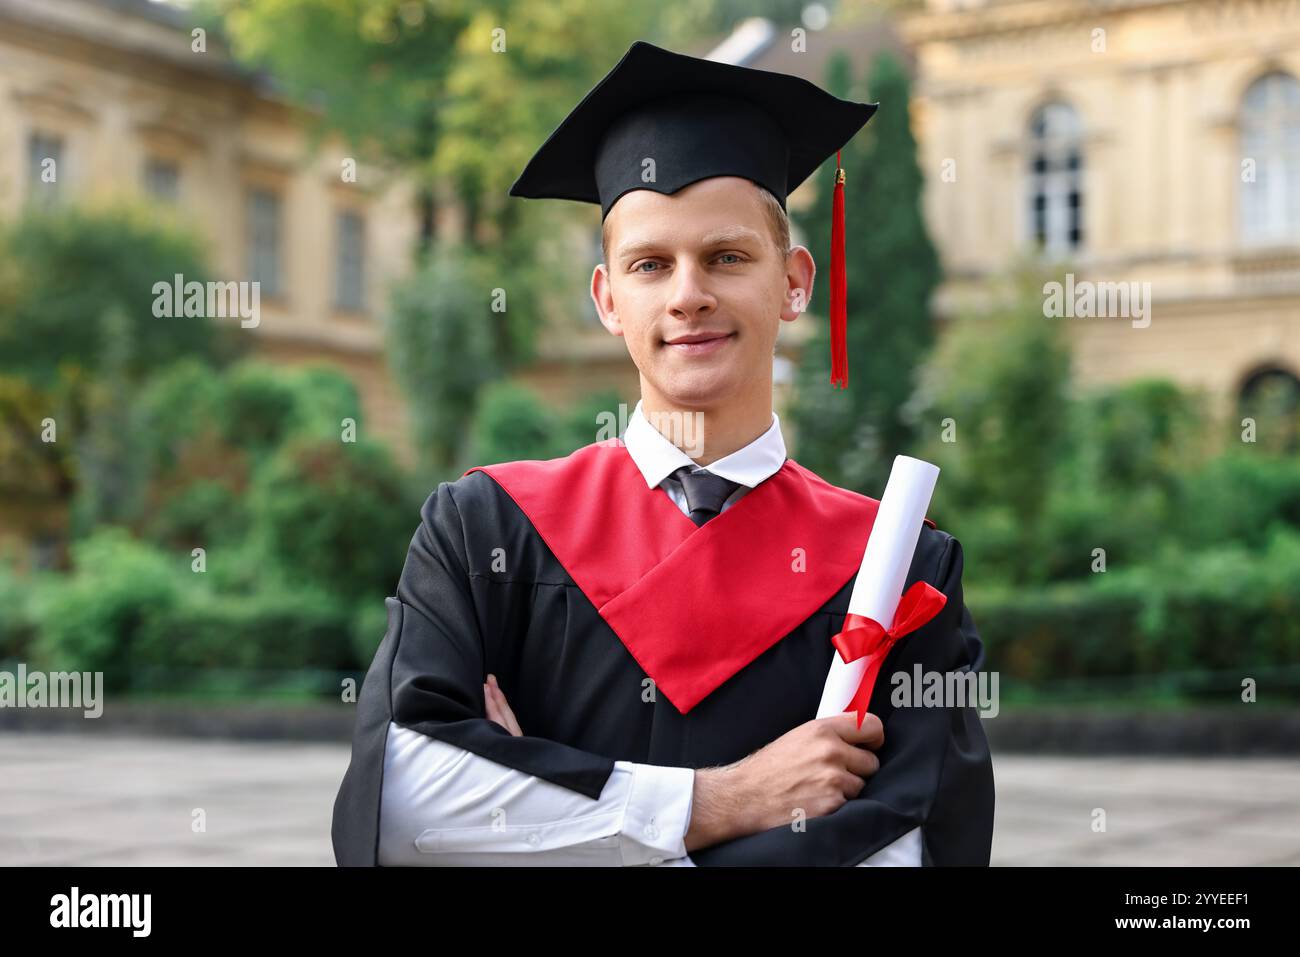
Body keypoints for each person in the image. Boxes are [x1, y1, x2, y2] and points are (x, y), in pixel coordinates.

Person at [331, 40, 994, 867]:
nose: (688, 294)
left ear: (794, 282)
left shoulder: (898, 566)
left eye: (725, 256)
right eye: (651, 264)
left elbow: (921, 846)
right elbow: (400, 803)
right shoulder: (482, 531)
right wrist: (722, 802)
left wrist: (544, 821)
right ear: (609, 298)